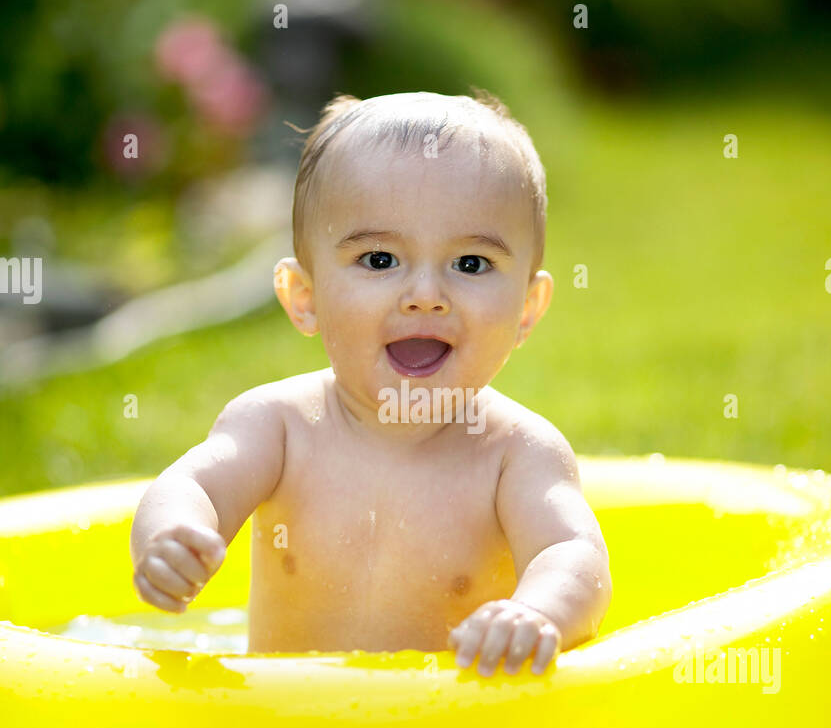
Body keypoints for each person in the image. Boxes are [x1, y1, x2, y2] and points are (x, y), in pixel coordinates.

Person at [130, 91, 611, 674]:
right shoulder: (278, 426)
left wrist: (536, 614)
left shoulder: (517, 454)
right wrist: (172, 535)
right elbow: (193, 484)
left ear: (528, 309)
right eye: (380, 260)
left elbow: (573, 555)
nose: (426, 296)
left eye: (471, 264)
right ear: (304, 298)